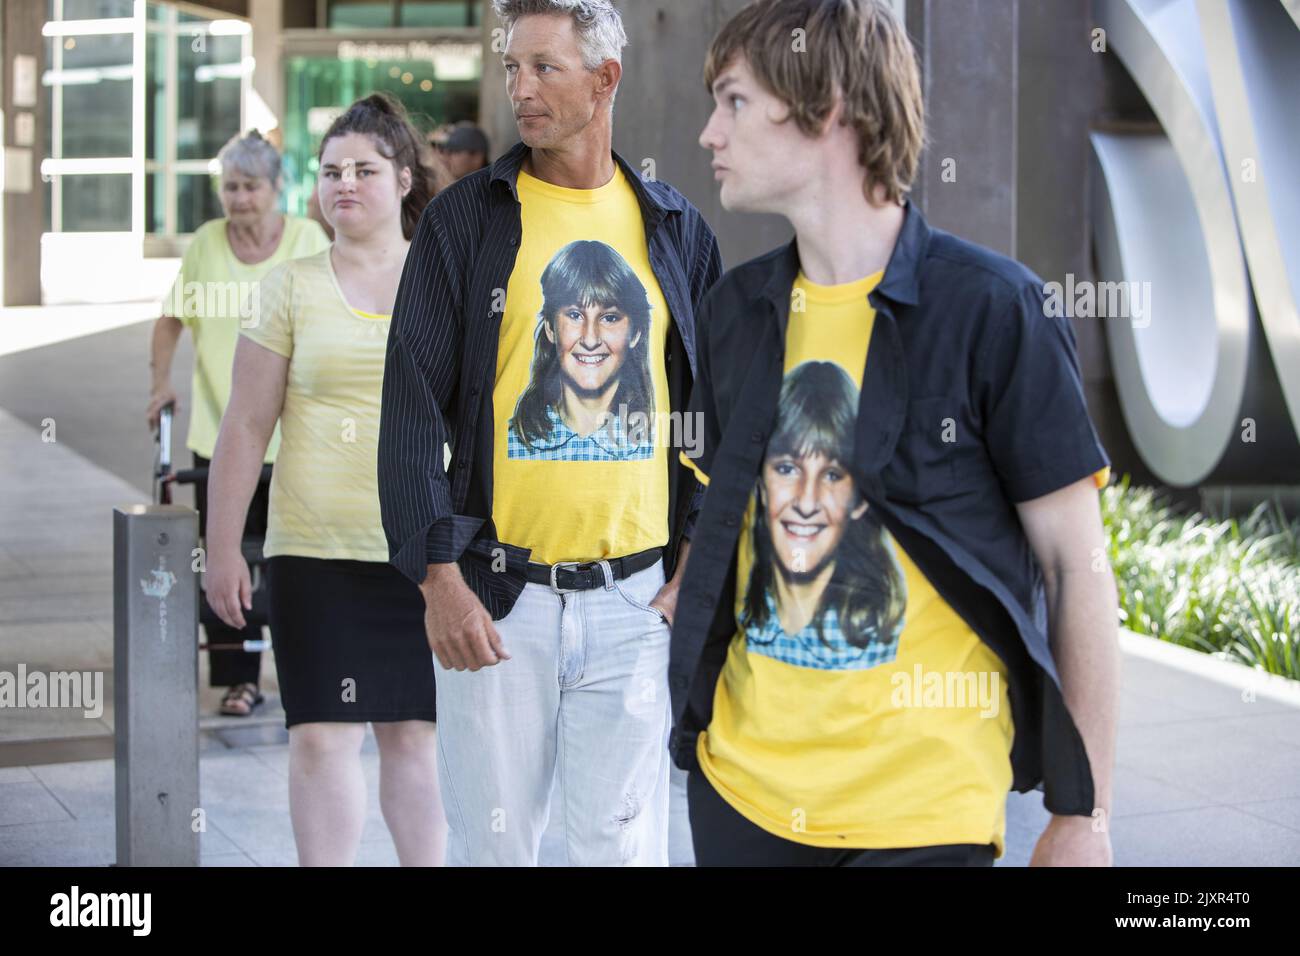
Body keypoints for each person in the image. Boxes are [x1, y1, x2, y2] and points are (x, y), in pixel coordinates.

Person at [674, 0, 1120, 866]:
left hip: (926, 815)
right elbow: (719, 519)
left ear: (827, 102)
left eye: (732, 101)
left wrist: (1085, 813)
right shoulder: (734, 312)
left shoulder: (996, 311)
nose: (707, 134)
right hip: (740, 797)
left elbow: (1078, 567)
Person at [377, 0, 721, 866]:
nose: (519, 89)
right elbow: (411, 408)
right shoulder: (464, 222)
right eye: (511, 68)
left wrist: (692, 569)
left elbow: (720, 413)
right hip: (499, 600)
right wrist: (439, 583)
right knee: (495, 850)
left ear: (605, 79)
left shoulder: (675, 230)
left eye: (543, 68)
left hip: (637, 603)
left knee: (620, 849)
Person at [205, 93, 446, 866]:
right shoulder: (290, 286)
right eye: (331, 171)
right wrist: (221, 549)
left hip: (421, 556)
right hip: (313, 551)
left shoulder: (445, 282)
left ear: (404, 179)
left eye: (364, 170)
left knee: (414, 737)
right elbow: (245, 425)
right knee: (321, 737)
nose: (344, 183)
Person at [146, 130, 329, 718]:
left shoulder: (305, 239)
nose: (240, 198)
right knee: (222, 560)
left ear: (277, 188)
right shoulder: (205, 244)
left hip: (298, 440)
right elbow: (171, 320)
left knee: (294, 563)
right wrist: (160, 382)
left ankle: (307, 671)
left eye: (251, 186)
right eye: (230, 186)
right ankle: (237, 678)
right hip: (221, 438)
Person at [743, 360, 906, 670]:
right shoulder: (744, 610)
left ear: (860, 499)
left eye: (832, 474)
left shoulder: (878, 637)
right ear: (761, 483)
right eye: (787, 469)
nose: (806, 502)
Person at [508, 239, 656, 460]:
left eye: (609, 317)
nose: (590, 339)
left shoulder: (654, 444)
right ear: (550, 327)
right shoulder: (515, 441)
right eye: (575, 315)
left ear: (635, 333)